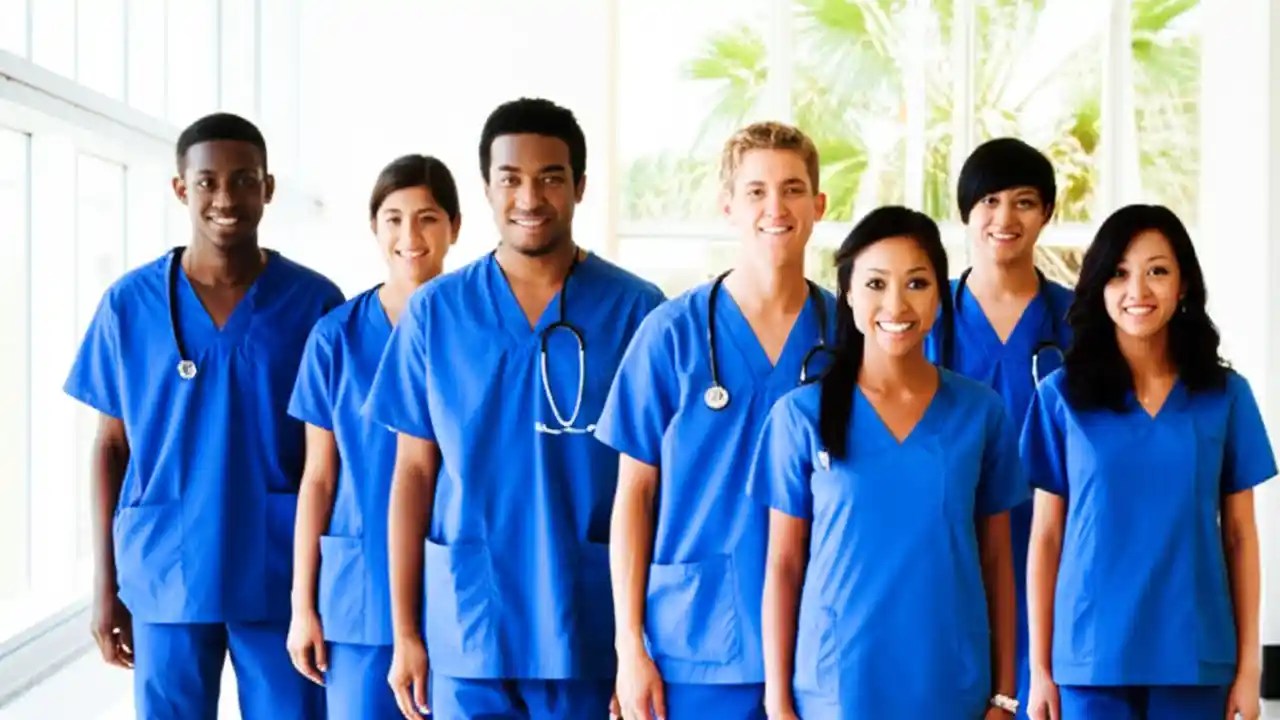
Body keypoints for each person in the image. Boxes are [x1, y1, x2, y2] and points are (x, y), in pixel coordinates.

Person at [365, 97, 665, 720]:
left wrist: (635, 643)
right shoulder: (435, 312)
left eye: (551, 177)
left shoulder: (639, 311)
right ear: (486, 189)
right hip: (469, 623)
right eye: (511, 179)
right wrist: (406, 632)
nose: (530, 197)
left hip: (585, 626)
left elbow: (653, 487)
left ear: (580, 187)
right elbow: (413, 475)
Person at [63, 112, 344, 719]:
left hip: (278, 574)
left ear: (268, 188)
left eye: (244, 180)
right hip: (166, 569)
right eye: (208, 181)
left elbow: (334, 457)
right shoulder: (129, 304)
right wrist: (103, 589)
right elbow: (111, 449)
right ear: (180, 188)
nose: (226, 198)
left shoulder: (314, 302)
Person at [595, 121, 834, 720]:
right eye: (755, 191)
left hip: (824, 640)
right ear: (728, 205)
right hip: (697, 643)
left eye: (792, 188)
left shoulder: (852, 334)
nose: (774, 207)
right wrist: (629, 646)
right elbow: (634, 495)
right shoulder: (672, 335)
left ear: (819, 205)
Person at [751, 206, 1024, 718]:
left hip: (950, 685)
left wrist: (1004, 695)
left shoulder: (979, 412)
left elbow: (997, 561)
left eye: (916, 283)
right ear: (849, 295)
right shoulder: (801, 417)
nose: (896, 303)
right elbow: (784, 566)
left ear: (939, 297)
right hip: (836, 688)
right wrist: (779, 701)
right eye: (875, 283)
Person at [1022, 204, 1275, 720]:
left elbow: (1241, 536)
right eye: (1119, 274)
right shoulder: (1061, 398)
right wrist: (1041, 670)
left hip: (1196, 655)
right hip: (1089, 661)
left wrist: (1249, 672)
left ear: (1183, 285)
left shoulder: (1225, 396)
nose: (1138, 291)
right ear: (1099, 286)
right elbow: (1046, 536)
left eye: (1157, 271)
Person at [286, 155, 461, 719]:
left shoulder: (475, 329)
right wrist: (301, 604)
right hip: (359, 592)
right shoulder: (335, 337)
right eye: (393, 218)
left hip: (459, 588)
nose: (410, 235)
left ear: (454, 227)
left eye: (428, 217)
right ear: (374, 228)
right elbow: (317, 477)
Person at [925, 137, 1073, 716]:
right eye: (988, 200)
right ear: (966, 212)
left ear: (1047, 213)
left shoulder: (1081, 319)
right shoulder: (930, 320)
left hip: (1058, 559)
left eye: (1025, 201)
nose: (1005, 218)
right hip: (956, 551)